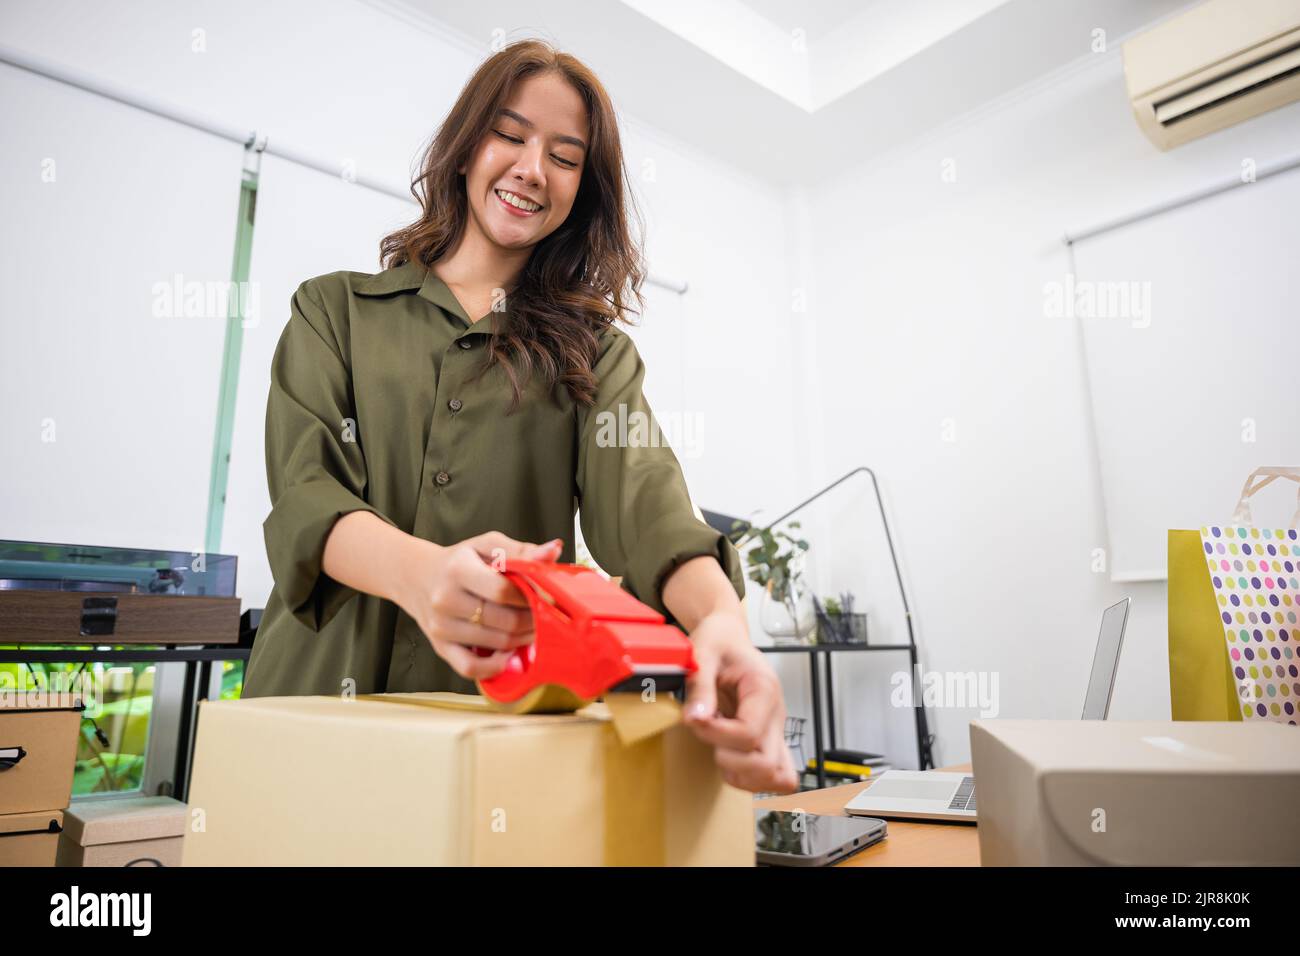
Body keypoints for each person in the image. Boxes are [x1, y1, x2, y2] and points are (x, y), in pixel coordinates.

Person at [242, 39, 797, 795]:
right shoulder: (333, 310)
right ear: (468, 146)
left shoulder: (597, 358)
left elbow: (650, 509)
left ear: (580, 191)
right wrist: (423, 573)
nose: (533, 168)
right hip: (307, 710)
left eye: (565, 157)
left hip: (492, 743)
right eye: (511, 134)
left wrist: (723, 626)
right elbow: (308, 495)